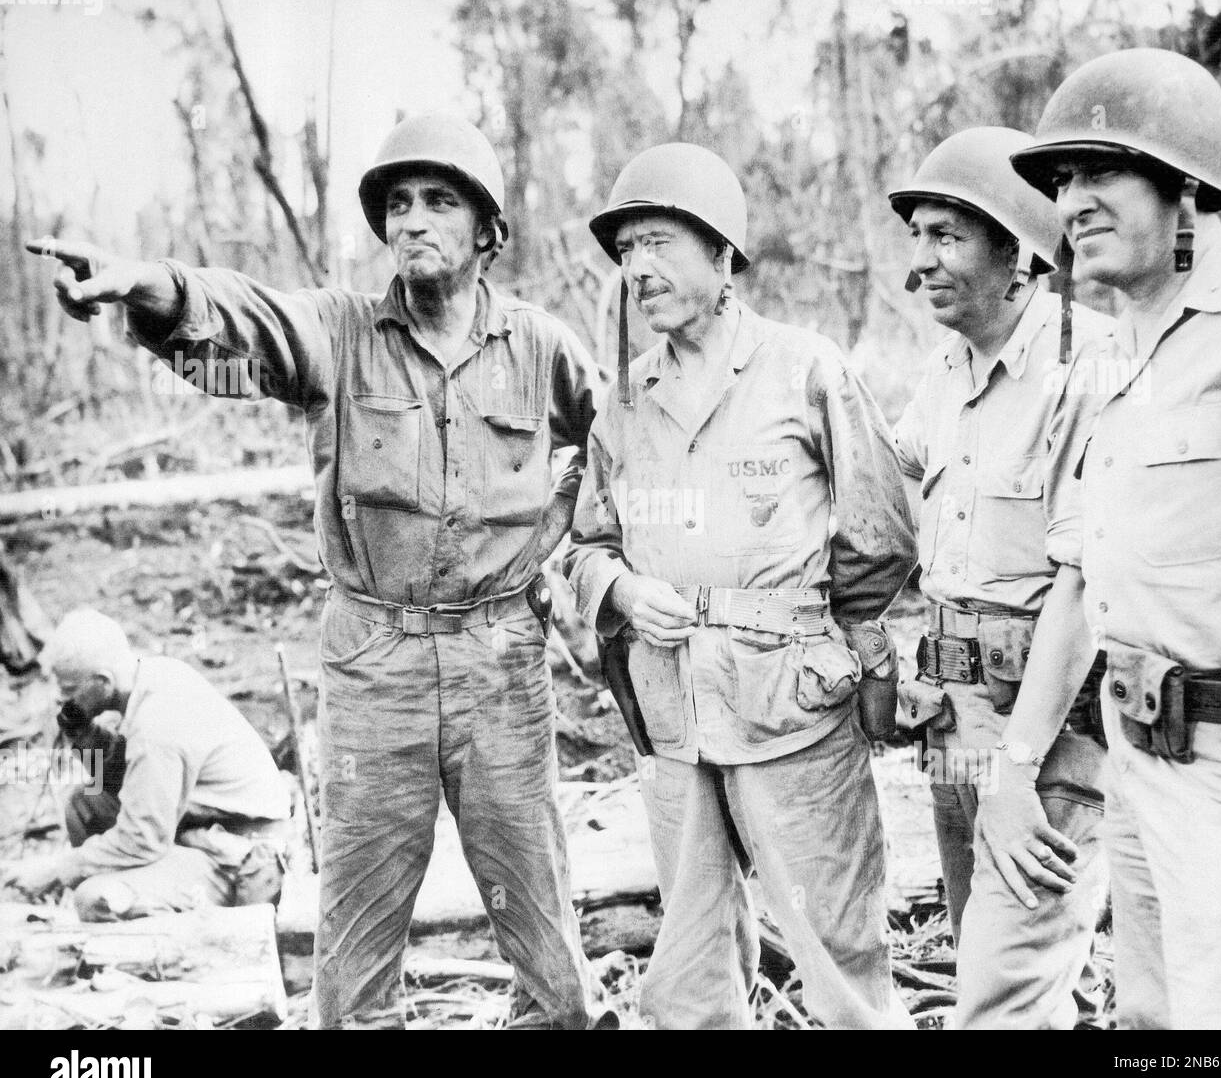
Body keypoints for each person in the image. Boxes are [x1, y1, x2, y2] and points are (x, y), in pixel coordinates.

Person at [28, 111, 609, 1030]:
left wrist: (567, 541)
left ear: (489, 232)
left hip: (502, 666)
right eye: (400, 204)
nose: (414, 221)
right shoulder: (340, 335)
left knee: (539, 918)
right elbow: (248, 321)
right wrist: (149, 288)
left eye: (441, 202)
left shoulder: (542, 349)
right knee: (355, 943)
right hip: (375, 670)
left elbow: (620, 446)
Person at [566, 142, 918, 1029]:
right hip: (672, 716)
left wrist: (809, 627)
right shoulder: (625, 397)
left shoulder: (804, 368)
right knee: (686, 977)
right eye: (626, 252)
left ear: (723, 257)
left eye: (659, 243)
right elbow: (584, 543)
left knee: (839, 956)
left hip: (789, 707)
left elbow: (881, 534)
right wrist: (617, 589)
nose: (637, 270)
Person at [1011, 47, 1221, 1029]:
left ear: (1184, 187)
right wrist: (1014, 763)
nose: (1072, 202)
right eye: (1061, 182)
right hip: (1136, 758)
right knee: (1153, 1029)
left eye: (1100, 172)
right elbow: (1082, 574)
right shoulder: (1122, 342)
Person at [888, 127, 1114, 1029]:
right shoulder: (942, 375)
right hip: (955, 722)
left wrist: (1016, 773)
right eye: (920, 235)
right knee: (994, 954)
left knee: (1002, 999)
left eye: (948, 235)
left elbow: (1087, 589)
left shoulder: (1089, 370)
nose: (924, 260)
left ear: (1020, 252)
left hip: (1049, 734)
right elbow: (890, 524)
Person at [0, 609, 290, 921]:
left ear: (102, 681)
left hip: (239, 857)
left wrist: (58, 869)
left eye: (69, 689)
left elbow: (141, 839)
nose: (61, 697)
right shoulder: (153, 675)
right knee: (84, 804)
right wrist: (83, 734)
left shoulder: (158, 725)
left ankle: (143, 932)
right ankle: (125, 880)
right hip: (197, 826)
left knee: (95, 899)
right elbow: (127, 778)